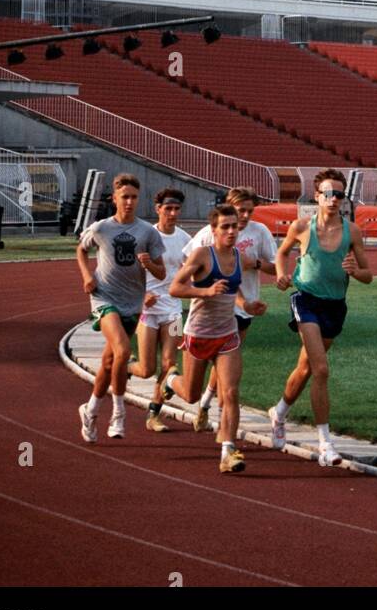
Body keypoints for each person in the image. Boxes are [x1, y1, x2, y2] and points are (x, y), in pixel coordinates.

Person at [270, 168, 372, 466]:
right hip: (306, 300)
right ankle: (326, 444)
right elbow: (281, 253)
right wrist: (279, 274)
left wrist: (356, 271)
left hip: (335, 305)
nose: (333, 199)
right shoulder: (302, 227)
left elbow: (369, 276)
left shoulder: (352, 231)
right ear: (317, 197)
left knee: (305, 369)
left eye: (338, 194)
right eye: (327, 193)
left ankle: (278, 413)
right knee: (322, 370)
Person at [163, 204, 266, 473]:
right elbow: (175, 288)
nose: (232, 231)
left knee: (230, 392)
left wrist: (249, 306)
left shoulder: (239, 257)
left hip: (226, 334)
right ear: (214, 230)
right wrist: (206, 292)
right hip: (198, 333)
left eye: (235, 226)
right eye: (226, 227)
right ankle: (171, 379)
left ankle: (228, 451)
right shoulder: (202, 255)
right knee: (191, 394)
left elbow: (236, 293)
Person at [76, 173, 165, 442]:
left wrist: (148, 263)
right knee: (124, 351)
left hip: (132, 302)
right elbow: (81, 250)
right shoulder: (101, 228)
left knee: (109, 361)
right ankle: (118, 414)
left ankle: (90, 410)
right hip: (104, 298)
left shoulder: (148, 232)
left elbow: (161, 273)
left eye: (134, 197)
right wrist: (87, 276)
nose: (129, 202)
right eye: (124, 197)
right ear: (114, 198)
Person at [183, 187, 276, 431]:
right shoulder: (206, 236)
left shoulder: (259, 232)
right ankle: (190, 394)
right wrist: (205, 288)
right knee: (196, 387)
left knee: (228, 377)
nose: (244, 217)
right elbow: (186, 268)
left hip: (243, 308)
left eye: (249, 211)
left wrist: (253, 264)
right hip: (207, 315)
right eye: (239, 210)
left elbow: (275, 268)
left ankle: (221, 427)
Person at [129, 187, 190, 431]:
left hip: (173, 310)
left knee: (169, 364)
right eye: (168, 208)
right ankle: (127, 366)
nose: (173, 213)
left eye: (176, 209)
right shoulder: (144, 236)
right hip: (148, 311)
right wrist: (142, 295)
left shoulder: (185, 240)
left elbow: (192, 270)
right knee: (146, 369)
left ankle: (154, 415)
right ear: (158, 209)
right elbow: (127, 273)